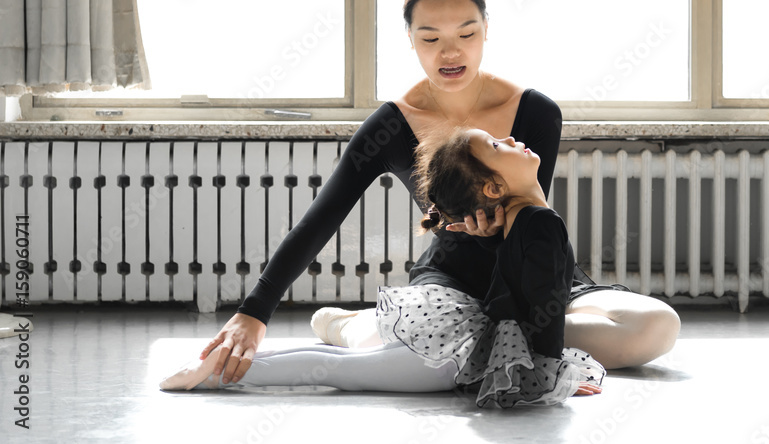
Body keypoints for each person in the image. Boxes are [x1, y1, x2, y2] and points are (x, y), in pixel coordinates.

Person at [201, 0, 680, 386]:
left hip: (536, 283)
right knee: (428, 349)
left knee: (657, 327)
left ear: (487, 29)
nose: (450, 53)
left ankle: (453, 340)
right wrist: (253, 312)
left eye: (467, 34)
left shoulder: (535, 113)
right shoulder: (390, 125)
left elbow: (533, 212)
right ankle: (349, 324)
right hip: (448, 286)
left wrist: (501, 238)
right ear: (409, 38)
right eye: (430, 38)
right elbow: (322, 218)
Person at [159, 126, 604, 408]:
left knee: (344, 364)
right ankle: (217, 372)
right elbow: (545, 311)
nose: (510, 138)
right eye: (495, 144)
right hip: (456, 353)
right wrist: (548, 375)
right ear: (493, 186)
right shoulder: (538, 222)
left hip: (459, 342)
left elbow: (519, 301)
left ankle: (219, 366)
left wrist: (543, 366)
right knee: (341, 370)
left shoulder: (524, 222)